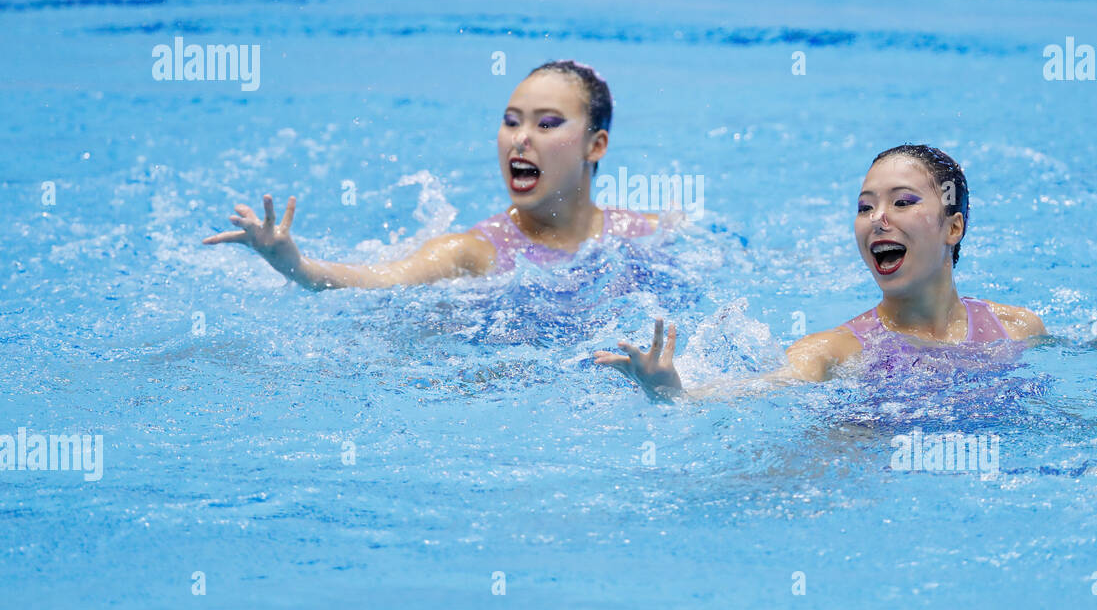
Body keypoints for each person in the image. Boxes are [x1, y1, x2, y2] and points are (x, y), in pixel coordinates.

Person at [595, 144, 1045, 401]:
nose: (877, 218)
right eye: (865, 207)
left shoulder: (1016, 327)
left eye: (903, 202)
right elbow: (761, 388)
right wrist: (674, 391)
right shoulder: (837, 349)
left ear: (953, 227)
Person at [203, 60, 658, 288]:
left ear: (595, 145)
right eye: (511, 120)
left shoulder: (646, 232)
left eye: (546, 123)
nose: (520, 138)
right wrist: (296, 266)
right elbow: (381, 279)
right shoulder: (472, 253)